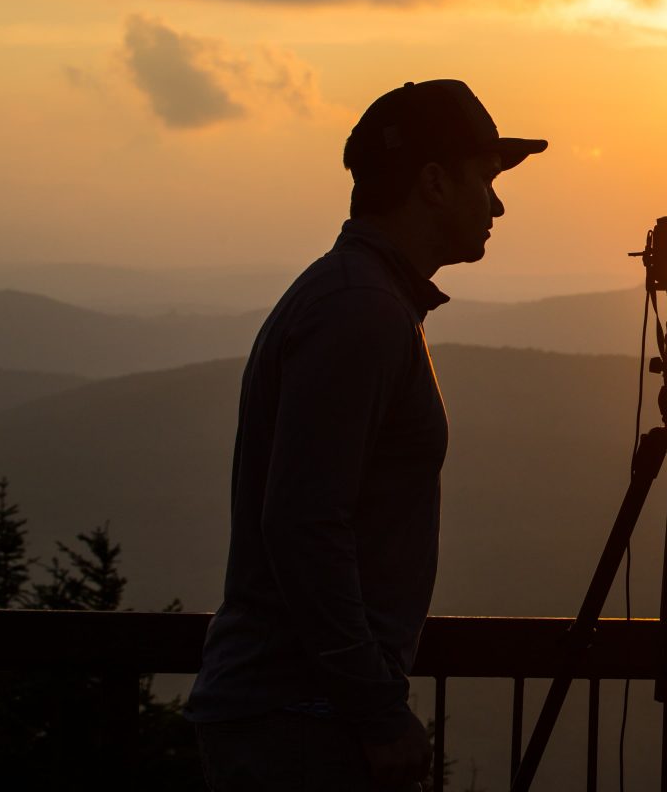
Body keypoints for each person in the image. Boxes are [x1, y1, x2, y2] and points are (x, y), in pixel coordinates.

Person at [187, 79, 546, 790]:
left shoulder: (360, 299)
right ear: (435, 183)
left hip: (296, 712)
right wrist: (376, 709)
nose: (499, 204)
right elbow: (303, 525)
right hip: (300, 722)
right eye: (485, 179)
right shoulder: (360, 312)